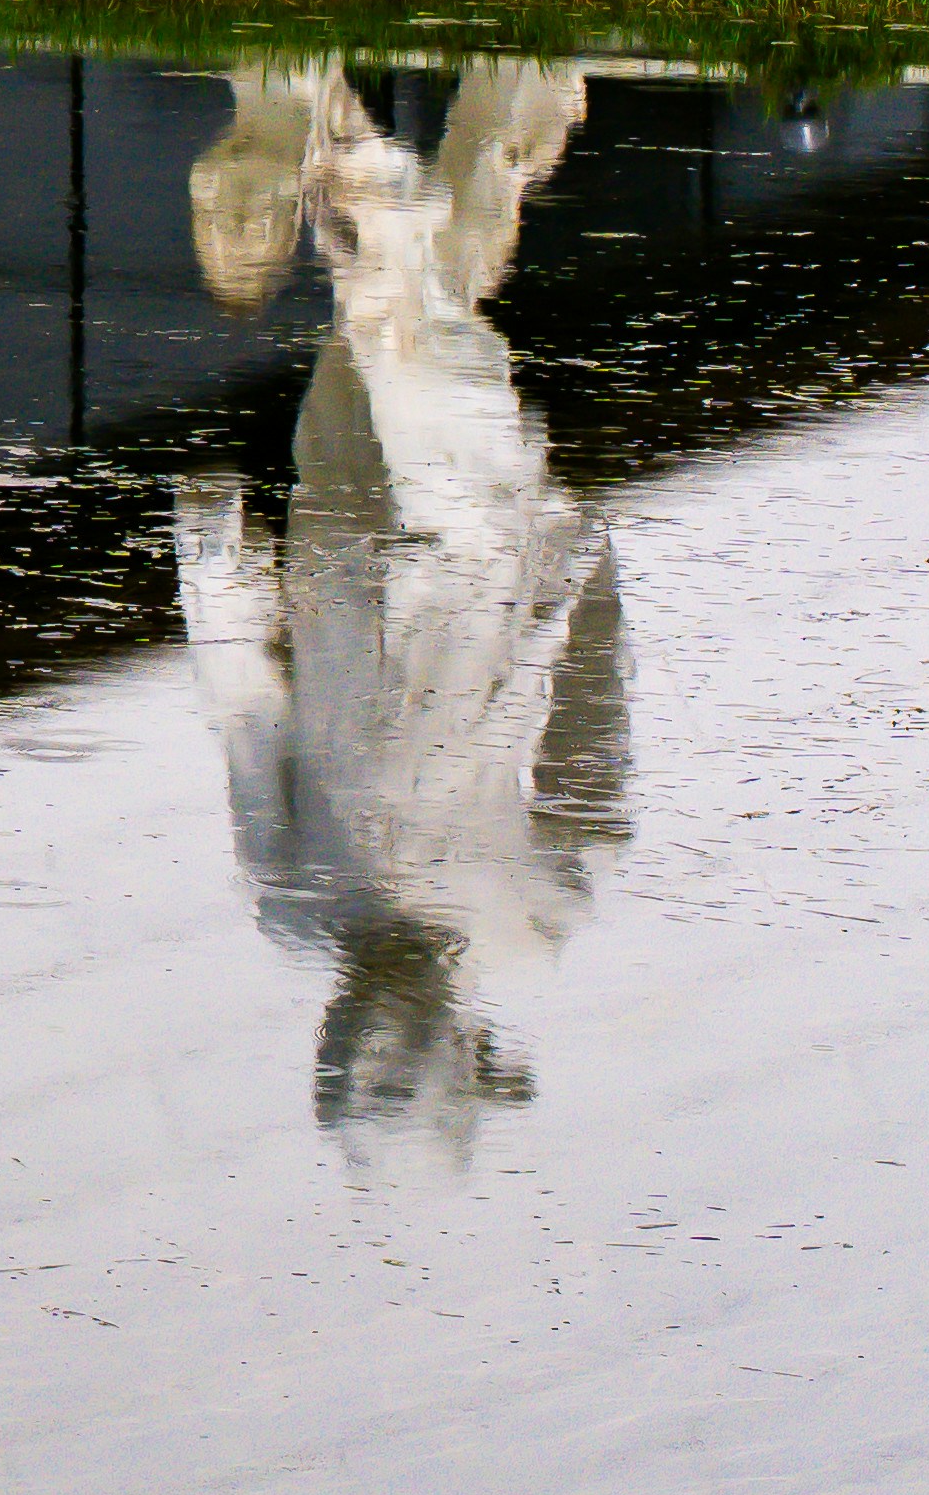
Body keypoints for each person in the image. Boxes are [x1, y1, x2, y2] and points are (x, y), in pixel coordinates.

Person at [171, 56, 621, 1155]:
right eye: (376, 1071)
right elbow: (589, 739)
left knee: (383, 303)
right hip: (475, 551)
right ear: (442, 1055)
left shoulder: (294, 905)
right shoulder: (533, 912)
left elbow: (250, 720)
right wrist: (587, 561)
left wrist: (215, 575)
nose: (351, 1044)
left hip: (337, 552)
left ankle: (482, 111)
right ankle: (349, 121)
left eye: (343, 1067)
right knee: (397, 314)